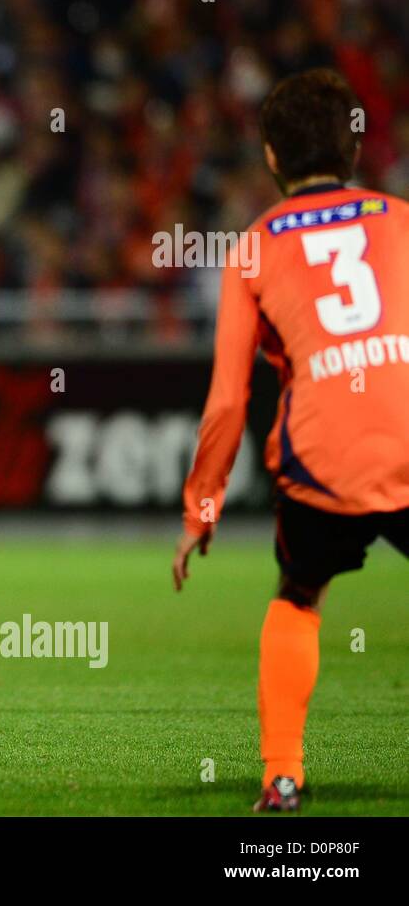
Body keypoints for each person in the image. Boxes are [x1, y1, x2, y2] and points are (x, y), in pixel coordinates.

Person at [174, 68, 409, 811]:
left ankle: (283, 776)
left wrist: (202, 509)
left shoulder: (253, 249)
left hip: (324, 454)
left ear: (272, 157)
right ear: (355, 150)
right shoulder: (402, 219)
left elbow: (226, 400)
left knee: (299, 594)